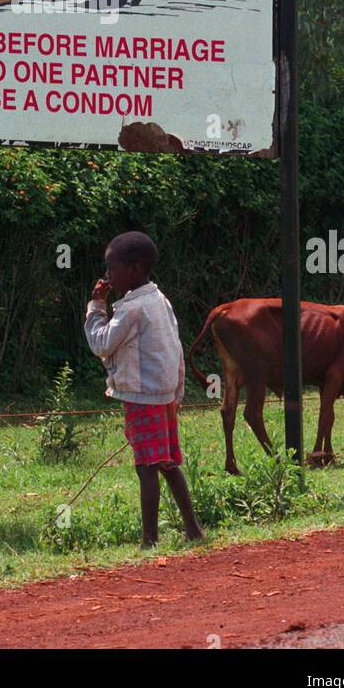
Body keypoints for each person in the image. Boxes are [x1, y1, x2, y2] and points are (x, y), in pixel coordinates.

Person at [85, 231, 203, 549]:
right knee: (167, 462)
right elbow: (176, 347)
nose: (108, 276)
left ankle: (150, 540)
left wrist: (97, 305)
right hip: (164, 393)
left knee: (147, 465)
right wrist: (178, 391)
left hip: (142, 395)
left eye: (112, 269)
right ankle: (193, 530)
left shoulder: (131, 309)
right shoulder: (158, 299)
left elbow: (101, 344)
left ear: (134, 269)